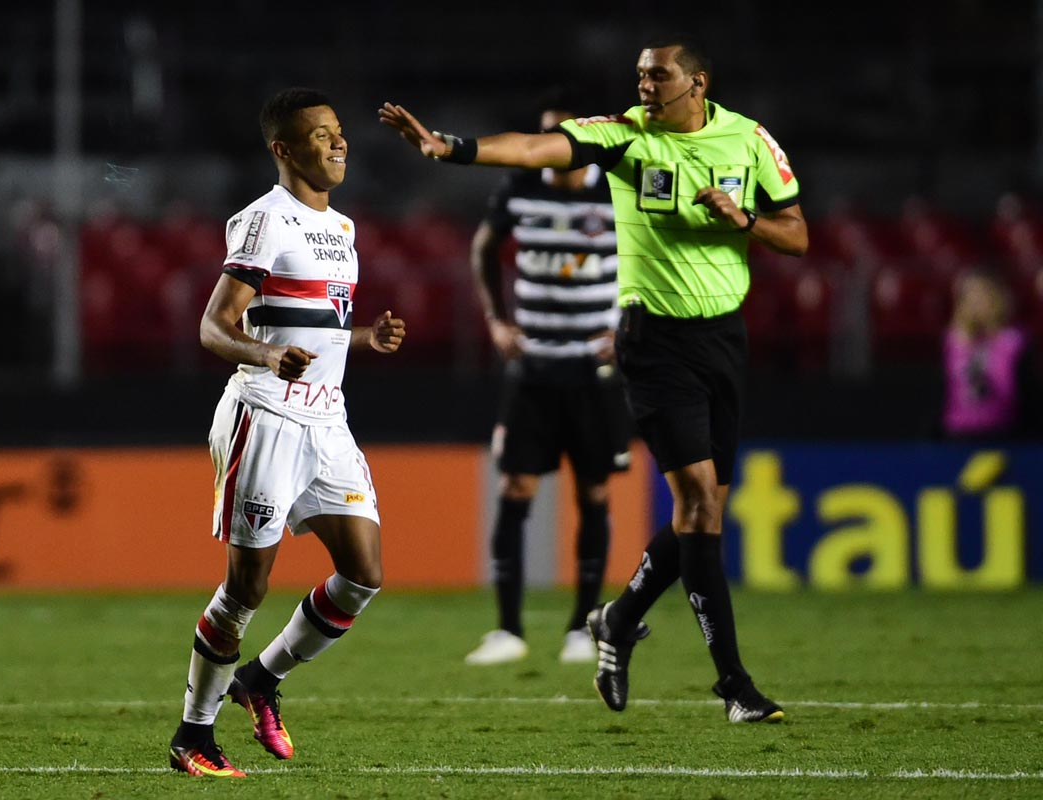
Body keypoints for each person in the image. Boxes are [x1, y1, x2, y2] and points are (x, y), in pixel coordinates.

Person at [380, 33, 808, 723]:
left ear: (697, 83)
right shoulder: (624, 138)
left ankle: (617, 619)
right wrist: (452, 148)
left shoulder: (749, 140)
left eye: (658, 76)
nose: (645, 86)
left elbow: (797, 234)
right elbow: (533, 147)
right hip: (653, 342)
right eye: (640, 75)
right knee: (698, 502)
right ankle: (734, 685)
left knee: (702, 516)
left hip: (724, 340)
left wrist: (745, 219)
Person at [169, 87, 406, 778]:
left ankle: (261, 679)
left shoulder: (343, 229)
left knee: (363, 574)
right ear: (284, 148)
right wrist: (266, 354)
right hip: (267, 415)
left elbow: (314, 324)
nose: (339, 143)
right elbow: (214, 326)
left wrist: (363, 337)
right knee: (246, 589)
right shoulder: (262, 221)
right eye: (321, 134)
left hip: (328, 419)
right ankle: (193, 735)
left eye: (339, 131)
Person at [463, 88, 634, 667]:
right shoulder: (520, 187)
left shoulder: (618, 190)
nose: (549, 145)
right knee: (515, 489)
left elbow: (654, 256)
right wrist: (496, 319)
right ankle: (507, 630)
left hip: (594, 371)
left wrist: (627, 323)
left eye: (560, 135)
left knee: (594, 492)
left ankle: (584, 628)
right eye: (544, 134)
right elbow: (483, 249)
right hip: (533, 366)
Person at [941, 269, 1038, 440]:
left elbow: (1015, 390)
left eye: (983, 295)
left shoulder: (1013, 340)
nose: (977, 302)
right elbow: (950, 387)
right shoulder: (954, 339)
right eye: (970, 296)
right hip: (958, 432)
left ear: (997, 299)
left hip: (1005, 431)